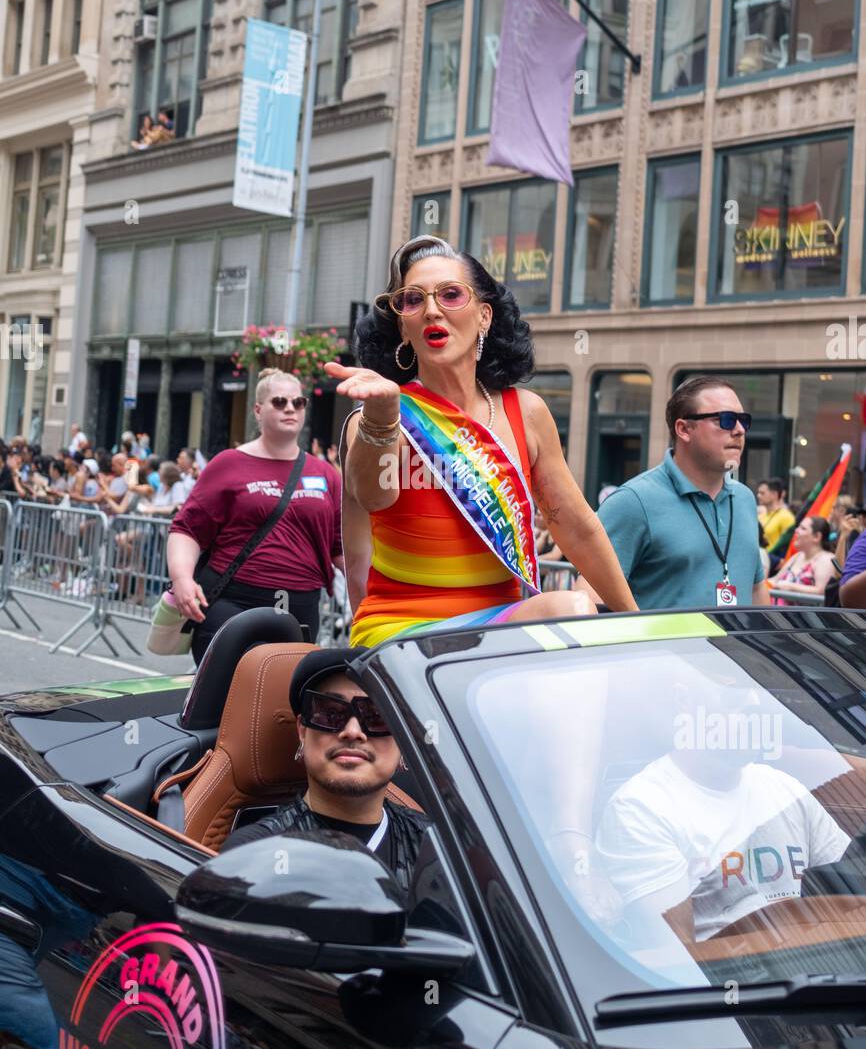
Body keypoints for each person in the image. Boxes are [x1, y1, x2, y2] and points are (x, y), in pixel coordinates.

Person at [325, 235, 635, 647]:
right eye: (413, 300)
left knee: (573, 608)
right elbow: (374, 496)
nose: (432, 309)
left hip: (496, 625)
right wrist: (382, 416)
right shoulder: (380, 413)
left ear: (484, 316)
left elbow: (576, 528)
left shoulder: (526, 413)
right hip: (401, 627)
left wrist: (636, 623)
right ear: (403, 325)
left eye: (451, 295)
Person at [594, 690, 850, 944]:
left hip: (818, 964)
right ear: (686, 700)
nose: (753, 705)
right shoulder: (641, 809)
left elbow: (850, 893)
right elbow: (680, 954)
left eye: (756, 697)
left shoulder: (783, 788)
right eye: (733, 694)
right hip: (734, 979)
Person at [167, 368, 344, 663]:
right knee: (224, 698)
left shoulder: (325, 473)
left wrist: (375, 596)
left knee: (283, 702)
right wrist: (182, 578)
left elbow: (342, 548)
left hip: (301, 608)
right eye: (279, 402)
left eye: (297, 403)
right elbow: (187, 529)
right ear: (258, 410)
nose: (290, 408)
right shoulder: (229, 463)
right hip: (234, 602)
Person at [219, 648, 429, 891]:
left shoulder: (437, 846)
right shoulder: (254, 854)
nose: (352, 731)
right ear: (302, 731)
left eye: (376, 716)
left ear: (403, 739)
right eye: (330, 714)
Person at [596, 376, 769, 610]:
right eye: (726, 420)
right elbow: (590, 594)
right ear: (684, 429)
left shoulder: (745, 499)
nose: (739, 430)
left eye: (743, 420)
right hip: (664, 648)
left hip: (734, 648)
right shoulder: (633, 501)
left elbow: (756, 588)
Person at [767, 516, 834, 600]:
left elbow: (822, 591)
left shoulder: (826, 559)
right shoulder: (797, 556)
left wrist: (791, 587)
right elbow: (775, 580)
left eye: (803, 528)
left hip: (804, 613)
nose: (796, 530)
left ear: (817, 537)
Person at [756, 477, 796, 550]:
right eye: (758, 493)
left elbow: (788, 545)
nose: (758, 496)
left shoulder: (786, 517)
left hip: (775, 559)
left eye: (762, 493)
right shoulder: (760, 516)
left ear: (774, 494)